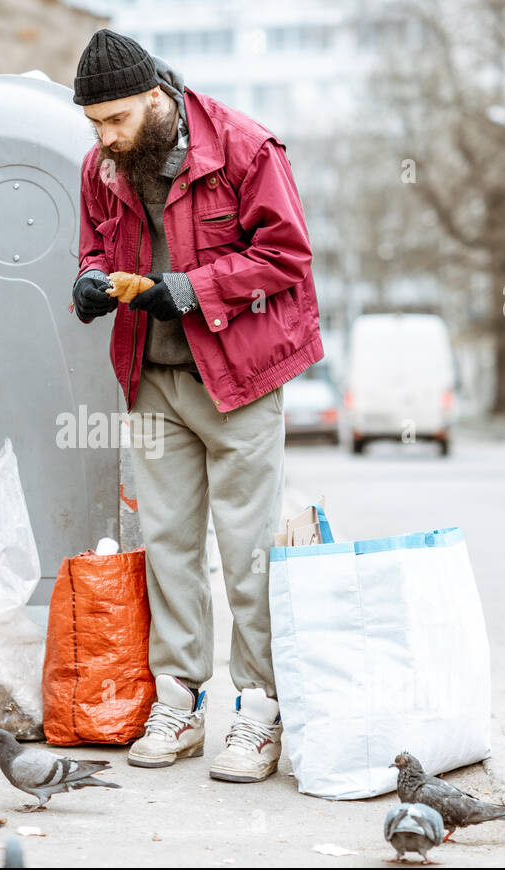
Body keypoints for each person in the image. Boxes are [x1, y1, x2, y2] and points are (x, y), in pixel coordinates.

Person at [71, 29, 322, 782]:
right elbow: (92, 244)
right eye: (95, 125)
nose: (106, 138)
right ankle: (179, 702)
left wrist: (188, 288)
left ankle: (259, 711)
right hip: (153, 377)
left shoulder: (245, 149)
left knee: (247, 555)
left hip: (241, 379)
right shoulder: (102, 166)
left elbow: (287, 257)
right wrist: (88, 281)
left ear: (156, 98)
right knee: (170, 548)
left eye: (116, 120)